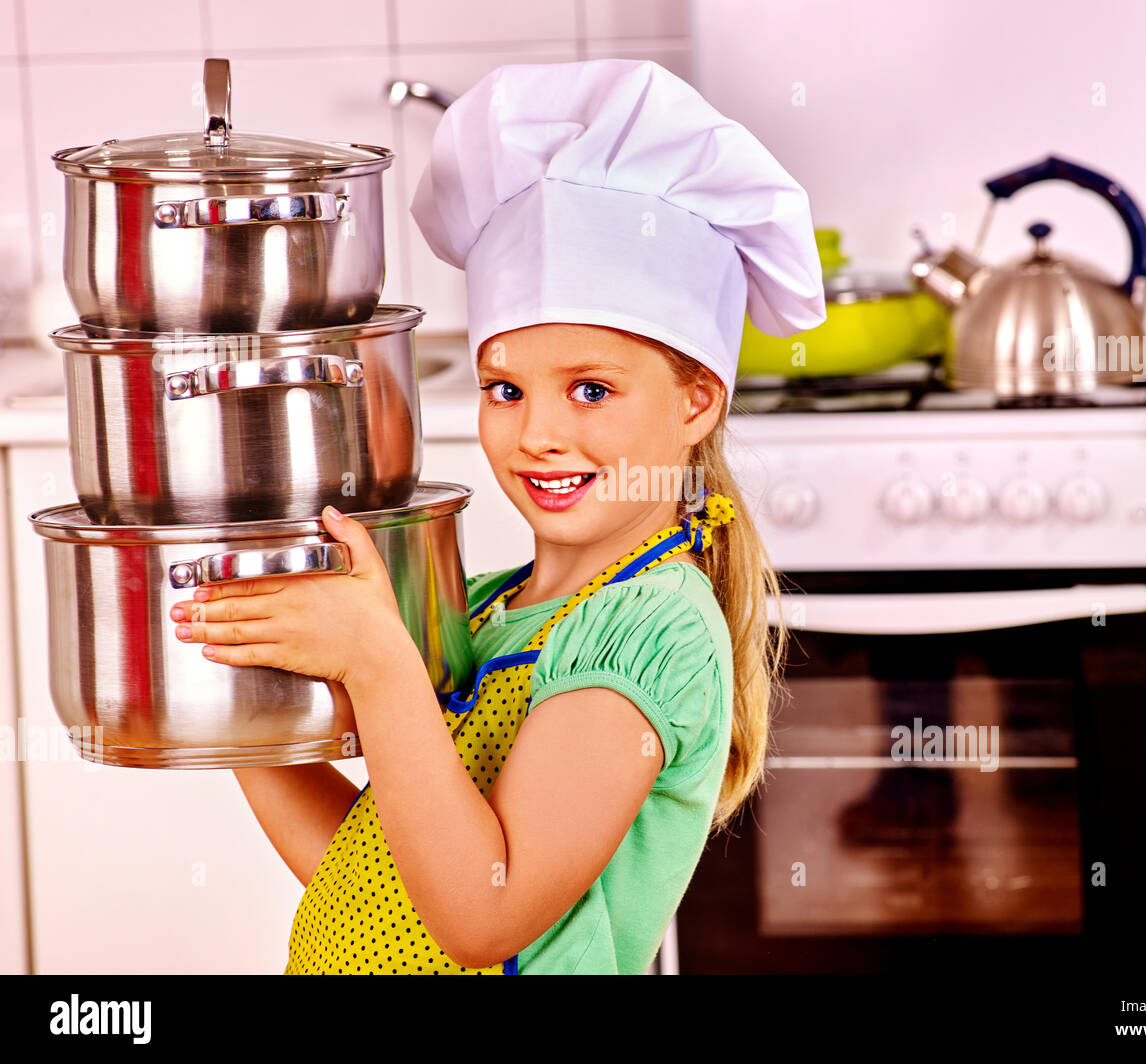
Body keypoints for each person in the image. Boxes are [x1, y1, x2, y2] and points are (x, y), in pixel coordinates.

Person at [168, 58, 825, 974]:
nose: (539, 434)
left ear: (696, 402)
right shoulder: (484, 607)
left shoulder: (649, 630)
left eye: (591, 389)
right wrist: (243, 691)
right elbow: (378, 879)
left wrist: (378, 661)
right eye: (505, 388)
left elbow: (484, 918)